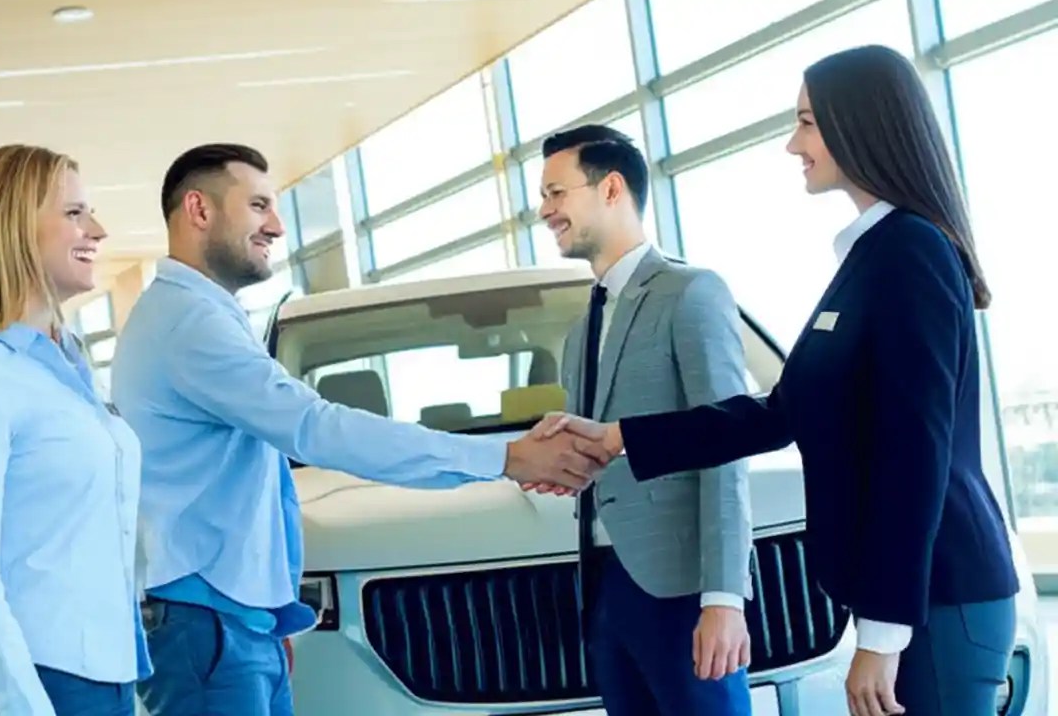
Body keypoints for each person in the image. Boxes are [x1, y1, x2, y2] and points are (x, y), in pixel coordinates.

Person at [540, 45, 1019, 716]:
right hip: (918, 599)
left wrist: (881, 638)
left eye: (807, 123)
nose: (794, 144)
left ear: (862, 124)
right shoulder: (869, 258)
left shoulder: (909, 252)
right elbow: (778, 413)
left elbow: (915, 455)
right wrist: (619, 436)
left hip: (943, 593)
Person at [110, 143, 611, 716]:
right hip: (212, 627)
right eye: (258, 206)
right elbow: (317, 428)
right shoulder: (190, 323)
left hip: (234, 620)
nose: (276, 226)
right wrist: (506, 457)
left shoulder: (193, 314)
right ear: (199, 210)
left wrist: (270, 618)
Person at [0, 144, 150, 716]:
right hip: (36, 685)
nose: (96, 229)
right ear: (14, 229)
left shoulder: (67, 360)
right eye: (74, 213)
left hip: (107, 677)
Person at [528, 124, 754, 715]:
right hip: (606, 588)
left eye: (556, 193)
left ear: (610, 189)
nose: (544, 211)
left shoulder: (691, 293)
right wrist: (562, 465)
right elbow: (610, 452)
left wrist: (724, 599)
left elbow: (726, 445)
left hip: (680, 589)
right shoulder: (581, 333)